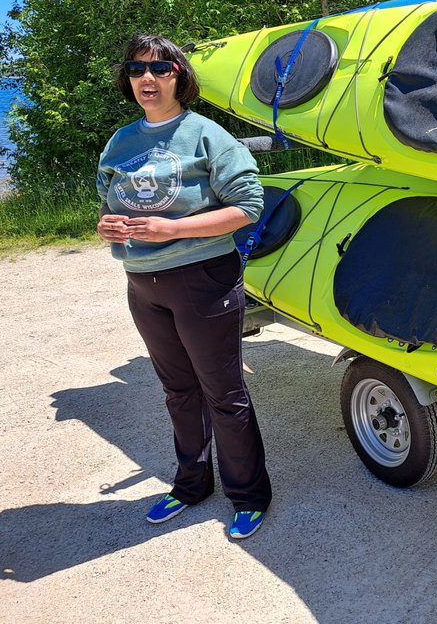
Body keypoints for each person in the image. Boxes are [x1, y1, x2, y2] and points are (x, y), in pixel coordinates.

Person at [96, 34, 272, 539]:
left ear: (180, 75)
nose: (146, 79)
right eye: (135, 69)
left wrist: (173, 228)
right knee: (177, 389)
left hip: (202, 278)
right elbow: (109, 204)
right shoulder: (121, 142)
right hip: (142, 283)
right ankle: (191, 485)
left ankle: (249, 495)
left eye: (159, 69)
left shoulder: (206, 135)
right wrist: (105, 225)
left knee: (224, 391)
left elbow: (248, 206)